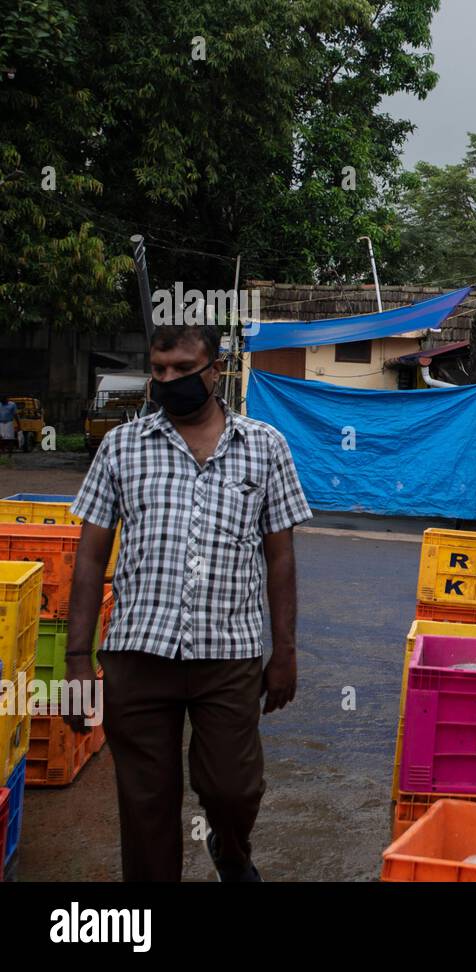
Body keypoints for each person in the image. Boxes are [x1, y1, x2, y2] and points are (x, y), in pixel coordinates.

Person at [63, 324, 312, 882]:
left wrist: (286, 651)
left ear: (215, 370)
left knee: (232, 787)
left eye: (182, 369)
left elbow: (281, 558)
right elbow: (88, 558)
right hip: (136, 653)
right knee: (146, 804)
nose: (169, 380)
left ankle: (230, 849)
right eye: (159, 371)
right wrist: (78, 660)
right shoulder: (122, 446)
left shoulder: (265, 446)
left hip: (229, 655)